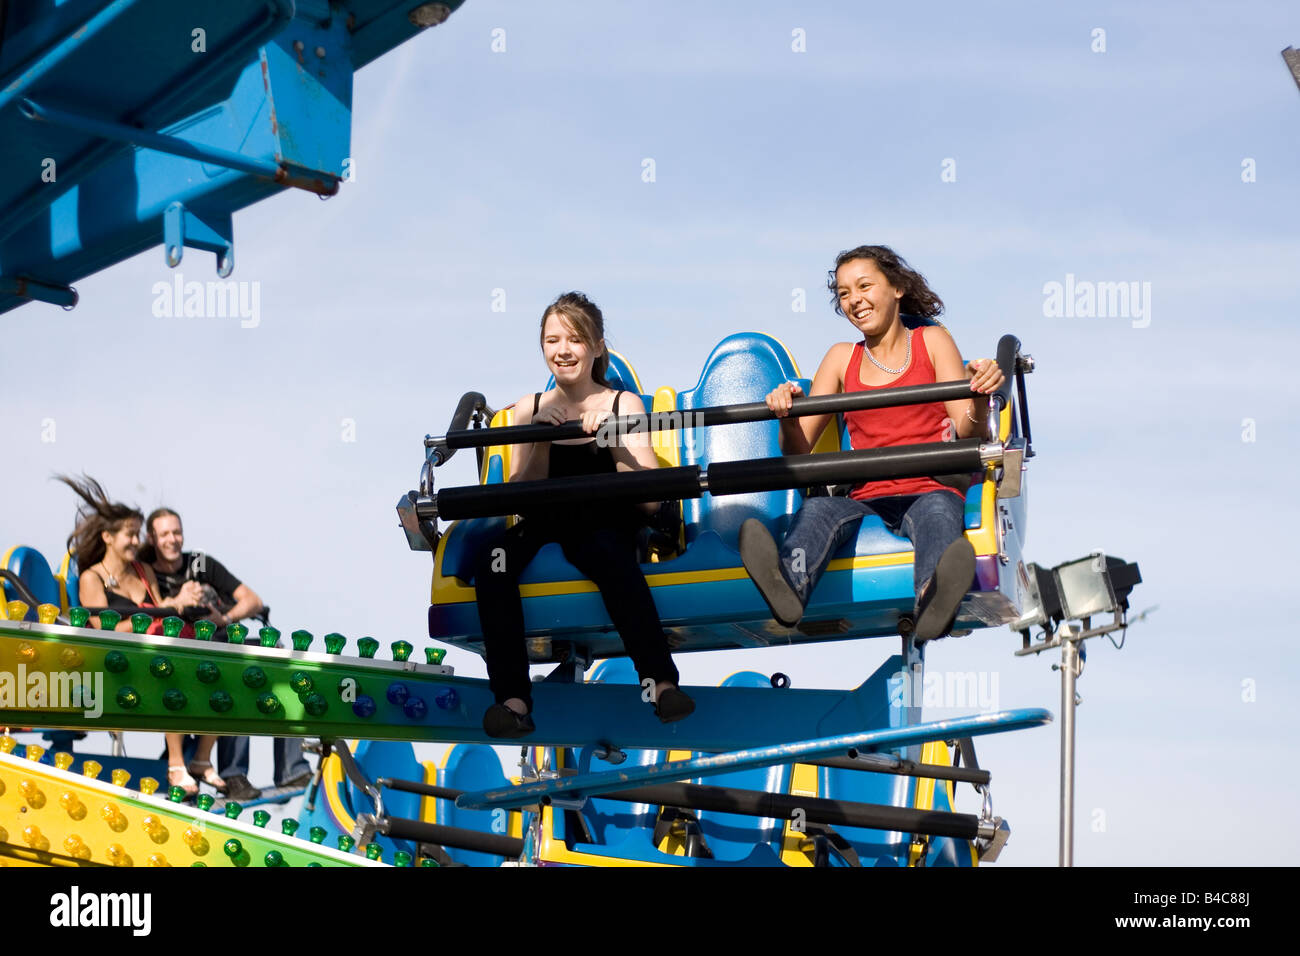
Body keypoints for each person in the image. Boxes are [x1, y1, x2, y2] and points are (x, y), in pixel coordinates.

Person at [738, 245, 1005, 643]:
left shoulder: (931, 342)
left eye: (864, 286)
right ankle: (788, 586)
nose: (854, 300)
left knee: (938, 508)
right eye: (844, 293)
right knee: (820, 509)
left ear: (896, 288)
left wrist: (981, 397)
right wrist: (786, 416)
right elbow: (798, 453)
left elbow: (968, 432)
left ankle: (934, 598)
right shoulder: (840, 357)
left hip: (928, 485)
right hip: (866, 495)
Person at [473, 292, 693, 738]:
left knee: (610, 557)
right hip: (546, 519)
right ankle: (513, 700)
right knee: (492, 560)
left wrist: (613, 441)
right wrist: (536, 436)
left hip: (607, 518)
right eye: (552, 340)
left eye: (574, 339)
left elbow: (649, 498)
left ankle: (660, 683)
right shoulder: (528, 407)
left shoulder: (622, 404)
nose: (563, 350)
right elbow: (519, 495)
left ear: (595, 345)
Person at [56, 475, 224, 797]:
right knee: (171, 661)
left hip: (156, 646)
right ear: (107, 536)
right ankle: (176, 763)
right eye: (130, 535)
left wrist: (180, 602)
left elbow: (164, 611)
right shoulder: (93, 579)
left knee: (214, 654)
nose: (136, 542)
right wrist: (159, 612)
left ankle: (202, 756)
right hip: (119, 660)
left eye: (136, 535)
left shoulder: (143, 572)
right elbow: (105, 632)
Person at [141, 508, 313, 802]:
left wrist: (225, 618)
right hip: (184, 652)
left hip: (223, 641)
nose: (173, 540)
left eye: (177, 532)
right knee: (236, 672)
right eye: (165, 534)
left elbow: (253, 600)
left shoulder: (199, 563)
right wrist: (178, 603)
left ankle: (291, 768)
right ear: (152, 538)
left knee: (281, 659)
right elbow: (146, 612)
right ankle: (233, 772)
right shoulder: (145, 571)